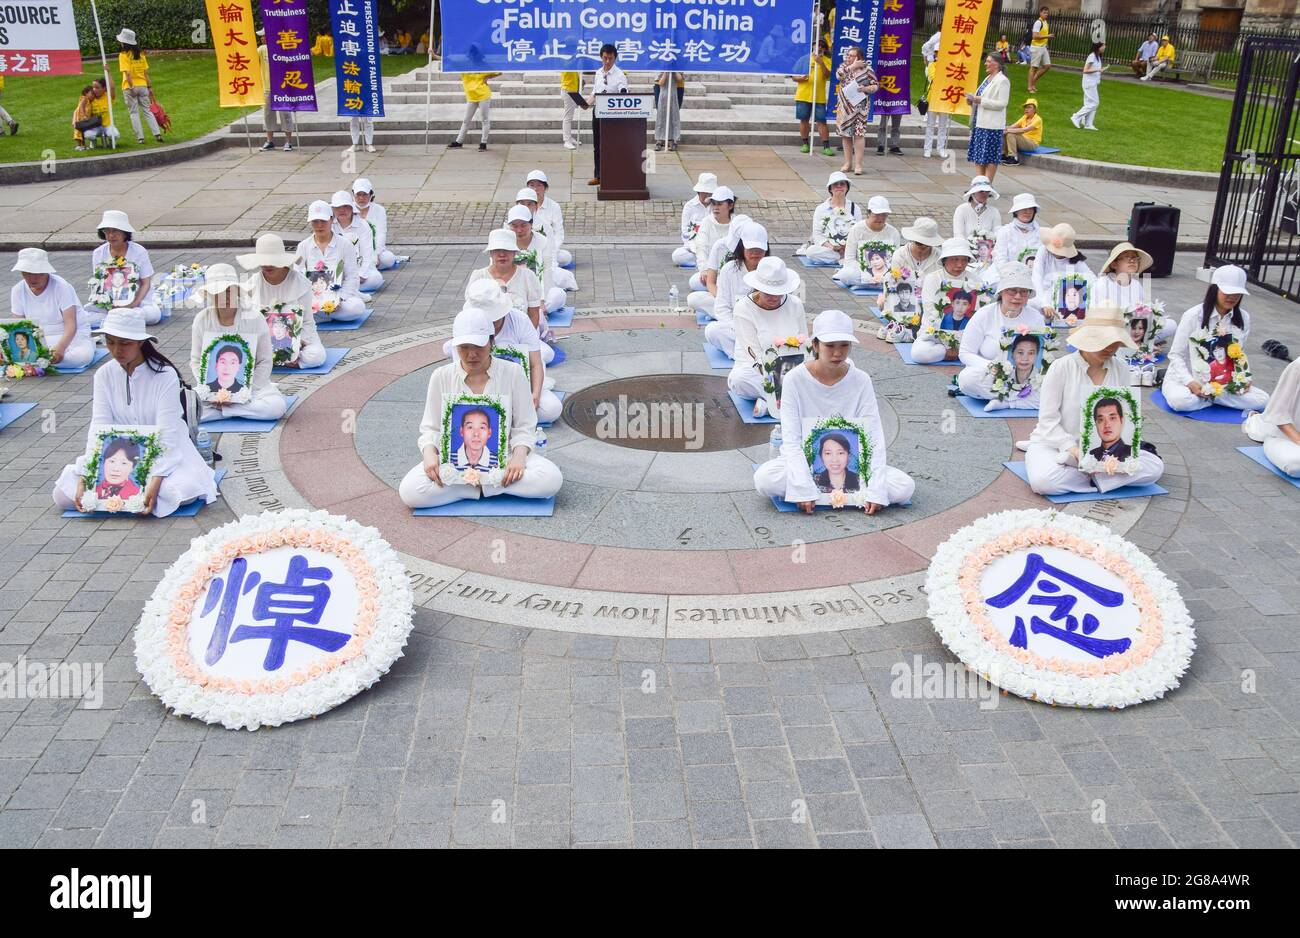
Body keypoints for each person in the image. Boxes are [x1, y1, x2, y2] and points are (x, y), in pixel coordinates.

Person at [52, 308, 217, 517]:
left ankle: (143, 489)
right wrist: (87, 474)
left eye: (125, 343)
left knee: (179, 493)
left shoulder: (165, 375)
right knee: (62, 495)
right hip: (118, 458)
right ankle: (129, 491)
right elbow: (99, 427)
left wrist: (156, 478)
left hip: (165, 454)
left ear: (140, 342)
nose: (116, 350)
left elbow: (168, 432)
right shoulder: (104, 374)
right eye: (110, 342)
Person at [398, 308, 563, 509]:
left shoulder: (513, 372)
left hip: (506, 456)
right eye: (464, 347)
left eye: (478, 346)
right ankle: (479, 487)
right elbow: (431, 428)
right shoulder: (441, 376)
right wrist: (430, 454)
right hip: (453, 464)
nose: (472, 354)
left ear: (492, 341)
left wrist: (518, 457)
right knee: (410, 491)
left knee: (551, 480)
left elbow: (525, 425)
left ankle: (479, 486)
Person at [753, 309, 914, 513]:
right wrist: (802, 487)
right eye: (830, 346)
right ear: (815, 345)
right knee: (765, 480)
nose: (838, 353)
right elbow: (792, 438)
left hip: (851, 463)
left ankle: (831, 494)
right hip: (803, 461)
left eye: (844, 345)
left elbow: (873, 434)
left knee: (904, 486)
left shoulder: (861, 379)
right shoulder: (795, 378)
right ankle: (819, 492)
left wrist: (876, 490)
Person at [1024, 305, 1165, 495]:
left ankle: (1093, 476)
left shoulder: (1121, 368)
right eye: (1103, 341)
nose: (1110, 348)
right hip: (1056, 445)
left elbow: (1124, 415)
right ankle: (1094, 474)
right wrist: (1073, 449)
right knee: (1043, 482)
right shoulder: (1061, 367)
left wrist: (1116, 454)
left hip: (1104, 449)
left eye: (1115, 342)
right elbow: (1048, 420)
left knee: (1155, 468)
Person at [442, 280, 560, 424]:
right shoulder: (465, 325)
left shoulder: (520, 320)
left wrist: (534, 396)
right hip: (480, 389)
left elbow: (535, 363)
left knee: (551, 409)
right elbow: (463, 377)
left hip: (518, 385)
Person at [1162, 265, 1270, 414]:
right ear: (1214, 289)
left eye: (1237, 293)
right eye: (1227, 292)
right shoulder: (1193, 316)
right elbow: (1176, 355)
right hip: (1187, 379)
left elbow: (1238, 356)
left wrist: (1243, 378)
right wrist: (1189, 382)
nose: (1232, 297)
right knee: (1180, 402)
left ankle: (1210, 398)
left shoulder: (1243, 318)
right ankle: (1212, 398)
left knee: (1262, 400)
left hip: (1222, 383)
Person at [189, 264, 288, 423]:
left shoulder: (255, 318)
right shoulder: (202, 319)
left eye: (228, 290)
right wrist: (210, 389)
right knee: (184, 409)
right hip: (212, 391)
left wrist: (243, 393)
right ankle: (232, 410)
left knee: (276, 407)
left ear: (237, 290)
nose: (224, 297)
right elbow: (196, 360)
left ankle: (227, 411)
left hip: (252, 388)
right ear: (209, 295)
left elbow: (264, 361)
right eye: (218, 292)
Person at [955, 261, 1047, 401]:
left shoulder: (1035, 317)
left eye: (1023, 292)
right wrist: (992, 366)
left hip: (1026, 375)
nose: (1017, 297)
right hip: (992, 374)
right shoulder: (984, 314)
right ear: (1002, 292)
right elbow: (965, 353)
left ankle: (1009, 401)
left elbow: (1042, 353)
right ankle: (1023, 400)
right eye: (1012, 291)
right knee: (966, 379)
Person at [237, 233, 327, 370]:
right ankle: (277, 359)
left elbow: (307, 321)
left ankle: (286, 360)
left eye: (272, 260)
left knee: (316, 355)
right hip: (263, 341)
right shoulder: (251, 284)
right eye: (263, 261)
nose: (267, 265)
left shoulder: (301, 284)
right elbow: (247, 322)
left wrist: (297, 342)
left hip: (297, 338)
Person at [729, 257, 808, 411]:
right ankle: (789, 402)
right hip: (757, 369)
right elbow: (753, 354)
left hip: (792, 368)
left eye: (779, 293)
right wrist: (775, 377)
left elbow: (805, 344)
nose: (774, 298)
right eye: (769, 293)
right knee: (740, 380)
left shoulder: (795, 304)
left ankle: (774, 403)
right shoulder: (743, 308)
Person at [8, 248, 95, 370]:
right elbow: (18, 326)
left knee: (81, 357)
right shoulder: (17, 290)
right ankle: (39, 363)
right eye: (27, 274)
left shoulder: (61, 286)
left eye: (37, 274)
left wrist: (60, 348)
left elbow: (71, 325)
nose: (32, 279)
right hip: (39, 338)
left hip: (69, 336)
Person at [468, 229, 547, 354]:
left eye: (507, 250)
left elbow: (533, 314)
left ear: (515, 252)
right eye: (497, 250)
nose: (502, 254)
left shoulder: (528, 276)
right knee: (450, 348)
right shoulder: (478, 276)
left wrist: (527, 339)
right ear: (490, 253)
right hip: (485, 336)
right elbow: (470, 313)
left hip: (520, 334)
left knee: (546, 354)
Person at [912, 239, 985, 364]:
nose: (960, 265)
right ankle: (948, 353)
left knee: (989, 349)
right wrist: (948, 346)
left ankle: (961, 352)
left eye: (964, 260)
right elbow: (931, 311)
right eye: (955, 259)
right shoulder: (933, 278)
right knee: (919, 354)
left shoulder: (975, 280)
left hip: (966, 337)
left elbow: (979, 314)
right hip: (934, 335)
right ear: (944, 260)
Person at [1093, 241, 1175, 350]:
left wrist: (1146, 334)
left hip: (1135, 330)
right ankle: (1134, 345)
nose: (1132, 261)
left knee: (1171, 325)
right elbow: (1099, 319)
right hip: (1109, 331)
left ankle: (1138, 344)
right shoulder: (1103, 284)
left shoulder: (1137, 285)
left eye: (1135, 258)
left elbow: (1145, 314)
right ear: (1114, 264)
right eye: (1126, 257)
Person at [703, 222, 769, 355]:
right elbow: (722, 307)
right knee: (712, 331)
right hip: (736, 328)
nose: (755, 253)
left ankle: (753, 353)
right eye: (751, 249)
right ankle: (747, 356)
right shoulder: (729, 269)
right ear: (741, 247)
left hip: (765, 328)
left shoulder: (772, 268)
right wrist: (739, 328)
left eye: (759, 249)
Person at [296, 200, 367, 321]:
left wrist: (339, 299)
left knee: (357, 307)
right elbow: (297, 277)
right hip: (312, 298)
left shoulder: (345, 245)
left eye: (323, 221)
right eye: (315, 222)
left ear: (331, 219)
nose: (319, 225)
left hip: (338, 296)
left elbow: (352, 277)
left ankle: (317, 316)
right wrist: (311, 300)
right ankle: (319, 315)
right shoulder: (303, 246)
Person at [91, 210, 162, 326]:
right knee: (87, 317)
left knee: (152, 315)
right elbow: (99, 283)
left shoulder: (139, 251)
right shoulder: (98, 253)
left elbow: (145, 283)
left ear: (125, 232)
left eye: (115, 231)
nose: (110, 235)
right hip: (110, 302)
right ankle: (118, 317)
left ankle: (119, 318)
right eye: (106, 231)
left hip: (138, 300)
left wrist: (134, 303)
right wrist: (108, 304)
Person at [504, 205, 568, 317]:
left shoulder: (543, 242)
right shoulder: (503, 242)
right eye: (514, 226)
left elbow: (545, 272)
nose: (519, 230)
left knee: (558, 295)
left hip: (537, 289)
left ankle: (533, 312)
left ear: (531, 224)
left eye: (523, 225)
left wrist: (541, 301)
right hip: (511, 290)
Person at [1244, 358, 1300, 477]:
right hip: (1286, 436)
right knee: (1295, 465)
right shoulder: (1297, 366)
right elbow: (1279, 415)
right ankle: (1256, 420)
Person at [836, 196, 901, 286]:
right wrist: (867, 274)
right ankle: (877, 284)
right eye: (877, 215)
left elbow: (896, 260)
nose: (880, 218)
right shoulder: (857, 229)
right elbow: (849, 259)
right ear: (868, 213)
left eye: (884, 215)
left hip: (886, 272)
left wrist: (885, 274)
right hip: (861, 271)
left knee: (903, 275)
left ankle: (877, 283)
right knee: (845, 275)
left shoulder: (893, 232)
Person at [798, 171, 860, 265]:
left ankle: (846, 257)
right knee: (811, 251)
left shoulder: (855, 208)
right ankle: (840, 258)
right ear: (830, 189)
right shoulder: (821, 209)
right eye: (835, 184)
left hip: (849, 248)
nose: (839, 186)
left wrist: (846, 246)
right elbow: (817, 234)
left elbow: (858, 232)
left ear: (847, 187)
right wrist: (832, 247)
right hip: (829, 248)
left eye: (842, 184)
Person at [588, 43, 628, 186]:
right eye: (605, 58)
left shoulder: (620, 75)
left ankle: (614, 174)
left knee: (611, 145)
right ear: (601, 57)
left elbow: (623, 91)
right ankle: (598, 175)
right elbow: (595, 91)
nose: (607, 61)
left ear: (615, 58)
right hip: (598, 110)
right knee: (597, 145)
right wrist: (587, 103)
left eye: (610, 58)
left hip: (612, 115)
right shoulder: (598, 73)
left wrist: (622, 93)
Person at [966, 55, 1010, 182]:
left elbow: (1002, 103)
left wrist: (981, 100)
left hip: (992, 125)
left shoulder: (1002, 81)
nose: (986, 63)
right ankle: (980, 183)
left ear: (997, 64)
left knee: (990, 157)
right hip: (980, 122)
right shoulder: (988, 78)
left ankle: (987, 184)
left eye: (989, 61)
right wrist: (972, 101)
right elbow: (980, 98)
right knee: (979, 155)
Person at [1033, 222, 1094, 313]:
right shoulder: (1043, 251)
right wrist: (1044, 303)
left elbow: (1092, 279)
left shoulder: (1076, 261)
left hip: (1065, 300)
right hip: (1041, 295)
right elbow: (1037, 276)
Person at [835, 46, 877, 174]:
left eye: (852, 55)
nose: (848, 57)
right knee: (846, 135)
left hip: (860, 108)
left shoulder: (867, 70)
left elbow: (875, 85)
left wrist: (865, 89)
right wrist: (852, 66)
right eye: (848, 55)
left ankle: (858, 165)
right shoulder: (844, 67)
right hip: (845, 107)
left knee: (859, 135)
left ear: (859, 57)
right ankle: (848, 163)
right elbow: (839, 76)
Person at [330, 190, 383, 292]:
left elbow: (367, 253)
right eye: (338, 207)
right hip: (336, 269)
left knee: (376, 279)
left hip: (358, 268)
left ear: (352, 207)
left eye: (345, 206)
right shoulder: (329, 225)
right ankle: (351, 290)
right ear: (332, 209)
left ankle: (346, 290)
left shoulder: (362, 225)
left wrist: (361, 274)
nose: (342, 210)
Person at [116, 29, 163, 145]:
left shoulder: (123, 55)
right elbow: (145, 73)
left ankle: (140, 138)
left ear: (124, 42)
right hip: (143, 85)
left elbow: (127, 73)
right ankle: (157, 134)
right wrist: (149, 87)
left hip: (129, 86)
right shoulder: (141, 55)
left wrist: (131, 87)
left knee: (134, 112)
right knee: (147, 110)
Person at [791, 39, 835, 156]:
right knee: (804, 119)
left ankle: (826, 146)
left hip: (819, 97)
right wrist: (799, 79)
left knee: (821, 121)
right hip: (803, 95)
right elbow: (793, 75)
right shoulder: (804, 59)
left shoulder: (827, 60)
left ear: (825, 49)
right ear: (812, 47)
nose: (819, 48)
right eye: (816, 46)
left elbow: (828, 76)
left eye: (821, 47)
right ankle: (805, 143)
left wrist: (821, 63)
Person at [352, 178, 405, 271]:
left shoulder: (379, 210)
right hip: (353, 249)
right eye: (358, 195)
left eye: (365, 195)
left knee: (389, 259)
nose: (361, 198)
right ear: (353, 195)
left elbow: (381, 234)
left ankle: (367, 266)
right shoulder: (348, 209)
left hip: (374, 249)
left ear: (371, 195)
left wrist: (375, 254)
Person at [257, 28, 296, 151]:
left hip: (282, 87)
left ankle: (288, 142)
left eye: (263, 36)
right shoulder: (261, 50)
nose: (262, 38)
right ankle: (269, 141)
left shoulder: (281, 48)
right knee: (268, 114)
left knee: (285, 113)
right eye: (261, 36)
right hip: (268, 88)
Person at [525, 170, 572, 270]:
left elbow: (558, 233)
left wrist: (551, 250)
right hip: (527, 246)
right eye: (532, 185)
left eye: (539, 185)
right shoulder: (522, 206)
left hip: (548, 247)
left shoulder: (554, 206)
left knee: (566, 257)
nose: (535, 189)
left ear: (545, 188)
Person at [448, 68, 499, 151]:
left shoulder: (481, 67)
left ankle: (483, 143)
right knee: (466, 120)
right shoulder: (464, 67)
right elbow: (448, 61)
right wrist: (433, 55)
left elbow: (499, 71)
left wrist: (489, 76)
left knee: (484, 120)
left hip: (483, 96)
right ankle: (459, 142)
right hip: (471, 98)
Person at [992, 192, 1042, 270]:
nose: (1027, 212)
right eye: (1023, 209)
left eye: (1031, 208)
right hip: (1009, 276)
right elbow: (1000, 259)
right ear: (1016, 212)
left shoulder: (1041, 233)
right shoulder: (1005, 232)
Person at [674, 173, 716, 266]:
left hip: (713, 246)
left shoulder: (718, 206)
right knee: (677, 256)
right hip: (694, 247)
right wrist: (693, 248)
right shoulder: (689, 206)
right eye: (705, 192)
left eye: (710, 193)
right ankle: (703, 262)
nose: (708, 195)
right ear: (699, 191)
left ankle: (707, 262)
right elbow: (685, 232)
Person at [1071, 42, 1108, 131]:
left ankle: (1088, 124)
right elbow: (1085, 70)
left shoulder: (1098, 57)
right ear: (1098, 47)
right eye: (1103, 46)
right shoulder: (1092, 56)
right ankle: (1076, 116)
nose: (1104, 47)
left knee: (1089, 103)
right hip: (1089, 83)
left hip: (1093, 83)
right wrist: (1098, 70)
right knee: (1095, 103)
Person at [953, 175, 1001, 240]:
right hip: (964, 247)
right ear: (973, 193)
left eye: (987, 191)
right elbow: (958, 234)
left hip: (989, 248)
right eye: (981, 191)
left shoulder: (994, 211)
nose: (984, 193)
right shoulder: (961, 209)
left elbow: (997, 233)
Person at [1001, 98, 1042, 166]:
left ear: (1035, 110)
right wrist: (1002, 129)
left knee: (1010, 133)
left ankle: (1013, 158)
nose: (1026, 109)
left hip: (1032, 143)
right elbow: (1012, 126)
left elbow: (1024, 130)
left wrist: (1007, 130)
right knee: (1005, 132)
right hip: (1024, 140)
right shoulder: (1024, 117)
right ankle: (1005, 155)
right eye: (1025, 107)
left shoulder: (1038, 119)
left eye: (1029, 107)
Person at [653, 72, 685, 152]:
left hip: (674, 93)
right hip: (663, 94)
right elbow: (660, 82)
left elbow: (679, 78)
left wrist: (674, 70)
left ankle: (672, 139)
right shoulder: (661, 69)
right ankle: (660, 139)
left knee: (673, 116)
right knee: (661, 116)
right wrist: (665, 72)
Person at [1027, 6, 1053, 93]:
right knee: (1034, 67)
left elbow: (1043, 35)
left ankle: (1033, 82)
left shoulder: (1045, 22)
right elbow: (1035, 36)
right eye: (1044, 13)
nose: (1046, 14)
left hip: (1043, 47)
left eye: (1047, 13)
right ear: (1040, 13)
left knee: (1047, 66)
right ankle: (1030, 87)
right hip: (1036, 47)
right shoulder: (1038, 22)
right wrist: (1048, 36)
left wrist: (1046, 44)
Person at [561, 71, 586, 150]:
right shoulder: (567, 63)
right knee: (568, 116)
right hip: (568, 90)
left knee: (570, 116)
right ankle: (567, 140)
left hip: (574, 90)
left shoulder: (573, 64)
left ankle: (569, 138)